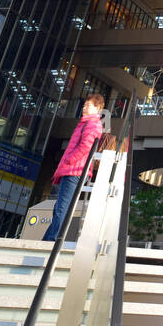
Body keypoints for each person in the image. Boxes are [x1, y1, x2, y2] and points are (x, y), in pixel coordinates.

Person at [43, 94, 105, 242]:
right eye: (84, 105)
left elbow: (85, 146)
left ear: (97, 108)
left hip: (75, 170)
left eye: (88, 105)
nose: (84, 107)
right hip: (74, 170)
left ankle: (52, 240)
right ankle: (49, 239)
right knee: (60, 207)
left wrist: (70, 160)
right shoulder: (87, 123)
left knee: (62, 208)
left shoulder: (92, 124)